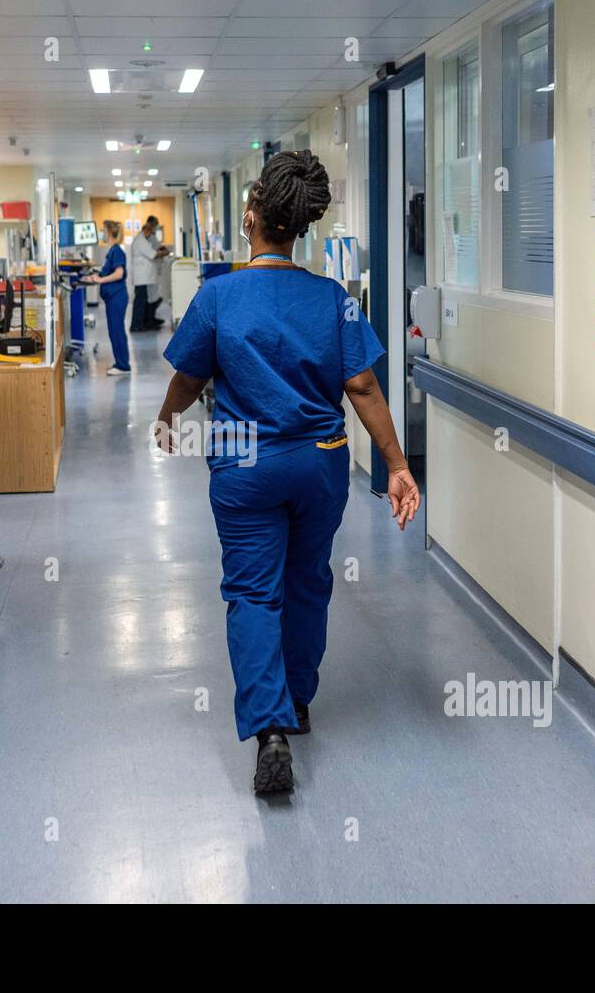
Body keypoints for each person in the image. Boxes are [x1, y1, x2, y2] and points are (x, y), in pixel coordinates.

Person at [156, 150, 421, 795]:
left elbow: (190, 376)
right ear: (299, 226)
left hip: (245, 458)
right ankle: (298, 701)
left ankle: (269, 727)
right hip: (320, 461)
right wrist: (397, 465)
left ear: (252, 220)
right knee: (308, 582)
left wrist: (168, 417)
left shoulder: (217, 295)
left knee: (252, 591)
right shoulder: (333, 298)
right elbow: (362, 387)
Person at [82, 219, 131, 376]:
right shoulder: (112, 251)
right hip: (113, 297)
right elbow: (107, 272)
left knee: (117, 331)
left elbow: (119, 273)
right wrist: (94, 277)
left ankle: (123, 365)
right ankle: (121, 362)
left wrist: (100, 280)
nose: (101, 233)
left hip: (117, 296)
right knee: (114, 331)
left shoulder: (117, 250)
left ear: (109, 232)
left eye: (103, 230)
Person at [129, 215, 169, 331]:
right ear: (146, 230)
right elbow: (153, 254)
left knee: (147, 300)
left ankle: (145, 321)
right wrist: (164, 253)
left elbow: (158, 247)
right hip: (141, 277)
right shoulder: (140, 240)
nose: (152, 234)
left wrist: (162, 250)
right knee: (140, 301)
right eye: (151, 231)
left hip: (147, 276)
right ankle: (136, 325)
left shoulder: (147, 238)